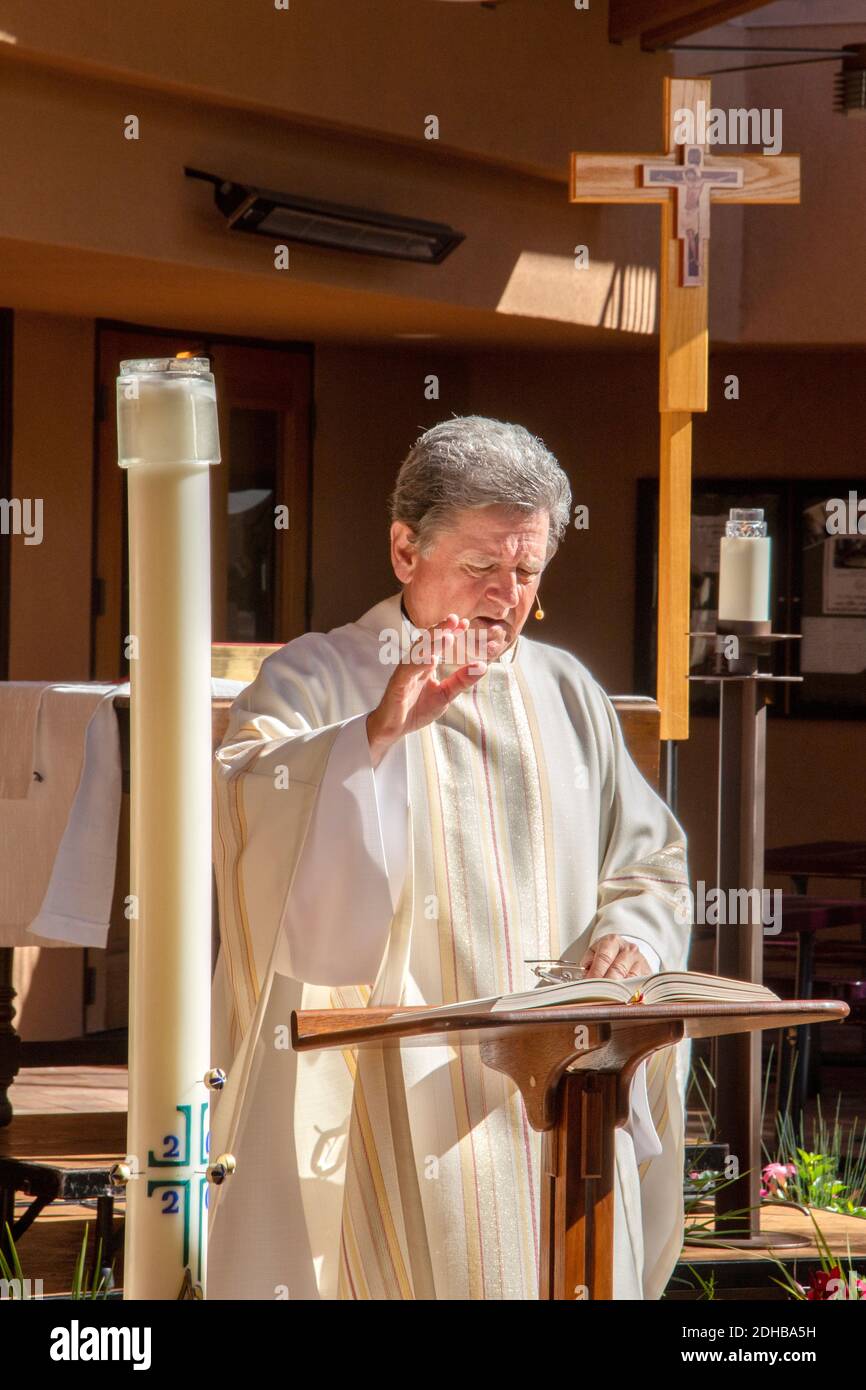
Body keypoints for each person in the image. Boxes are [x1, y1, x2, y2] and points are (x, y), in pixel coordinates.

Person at [208, 415, 692, 1300]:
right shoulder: (316, 679)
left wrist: (637, 939)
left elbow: (649, 860)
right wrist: (373, 737)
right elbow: (247, 806)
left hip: (559, 1098)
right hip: (386, 1096)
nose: (508, 595)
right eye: (482, 566)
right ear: (404, 549)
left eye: (528, 570)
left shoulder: (570, 693)